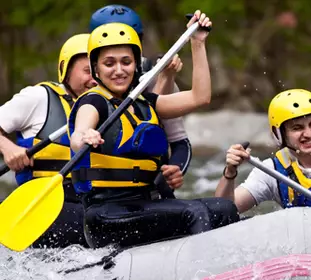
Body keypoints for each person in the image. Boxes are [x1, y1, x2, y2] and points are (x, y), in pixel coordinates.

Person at [68, 12, 239, 249]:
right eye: (109, 63)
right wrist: (85, 137)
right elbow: (78, 135)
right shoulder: (93, 102)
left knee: (225, 208)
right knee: (194, 212)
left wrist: (198, 43)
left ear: (136, 64)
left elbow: (200, 97)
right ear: (95, 68)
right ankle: (204, 278)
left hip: (143, 205)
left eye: (126, 62)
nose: (119, 70)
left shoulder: (145, 101)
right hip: (105, 215)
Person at [0, 34, 96, 248]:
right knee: (95, 223)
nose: (94, 79)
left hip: (95, 200)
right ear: (66, 70)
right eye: (88, 71)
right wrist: (8, 148)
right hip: (49, 204)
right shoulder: (39, 98)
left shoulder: (110, 107)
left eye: (97, 71)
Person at [90, 4, 194, 197]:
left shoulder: (155, 75)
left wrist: (172, 172)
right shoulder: (82, 81)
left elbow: (179, 143)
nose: (119, 70)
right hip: (100, 191)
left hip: (147, 187)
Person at [215, 89, 311, 213]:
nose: (308, 134)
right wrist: (230, 173)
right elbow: (223, 210)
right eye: (297, 128)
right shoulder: (272, 171)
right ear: (279, 134)